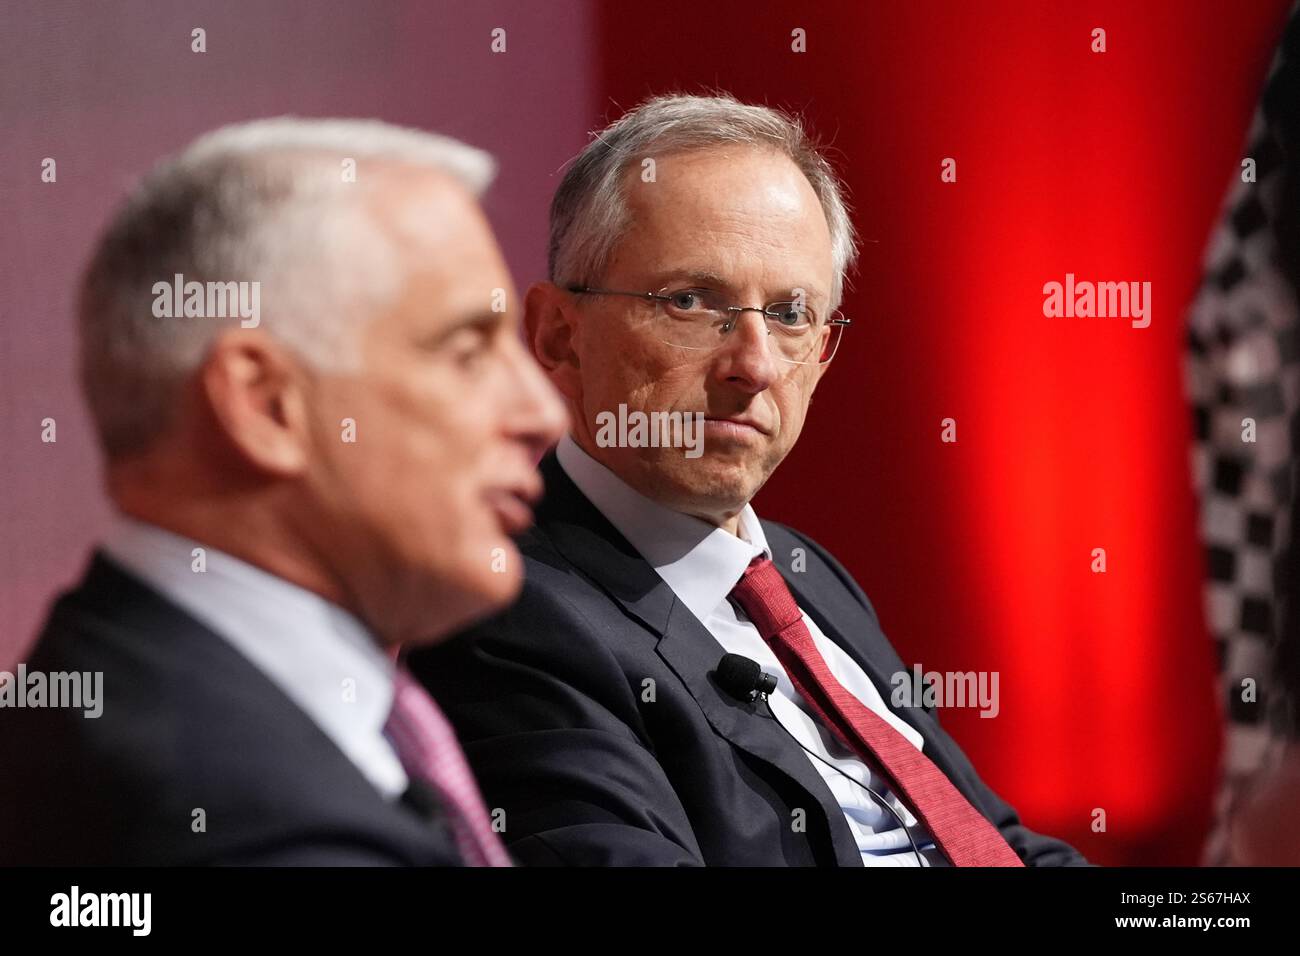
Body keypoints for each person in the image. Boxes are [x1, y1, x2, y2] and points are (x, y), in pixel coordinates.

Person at [409, 93, 1089, 866]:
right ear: (560, 336)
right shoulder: (506, 612)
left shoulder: (806, 576)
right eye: (692, 303)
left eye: (792, 313)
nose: (755, 364)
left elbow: (991, 841)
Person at [0, 118, 567, 865]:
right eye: (467, 352)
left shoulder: (103, 700)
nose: (543, 414)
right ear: (266, 406)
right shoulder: (249, 833)